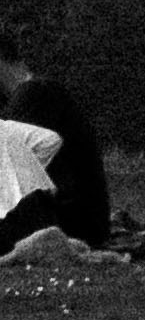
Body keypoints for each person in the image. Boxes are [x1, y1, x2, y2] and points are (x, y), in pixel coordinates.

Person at [0, 72, 111, 255]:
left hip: (70, 223)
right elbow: (49, 140)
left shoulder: (35, 94)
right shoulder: (44, 94)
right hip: (83, 221)